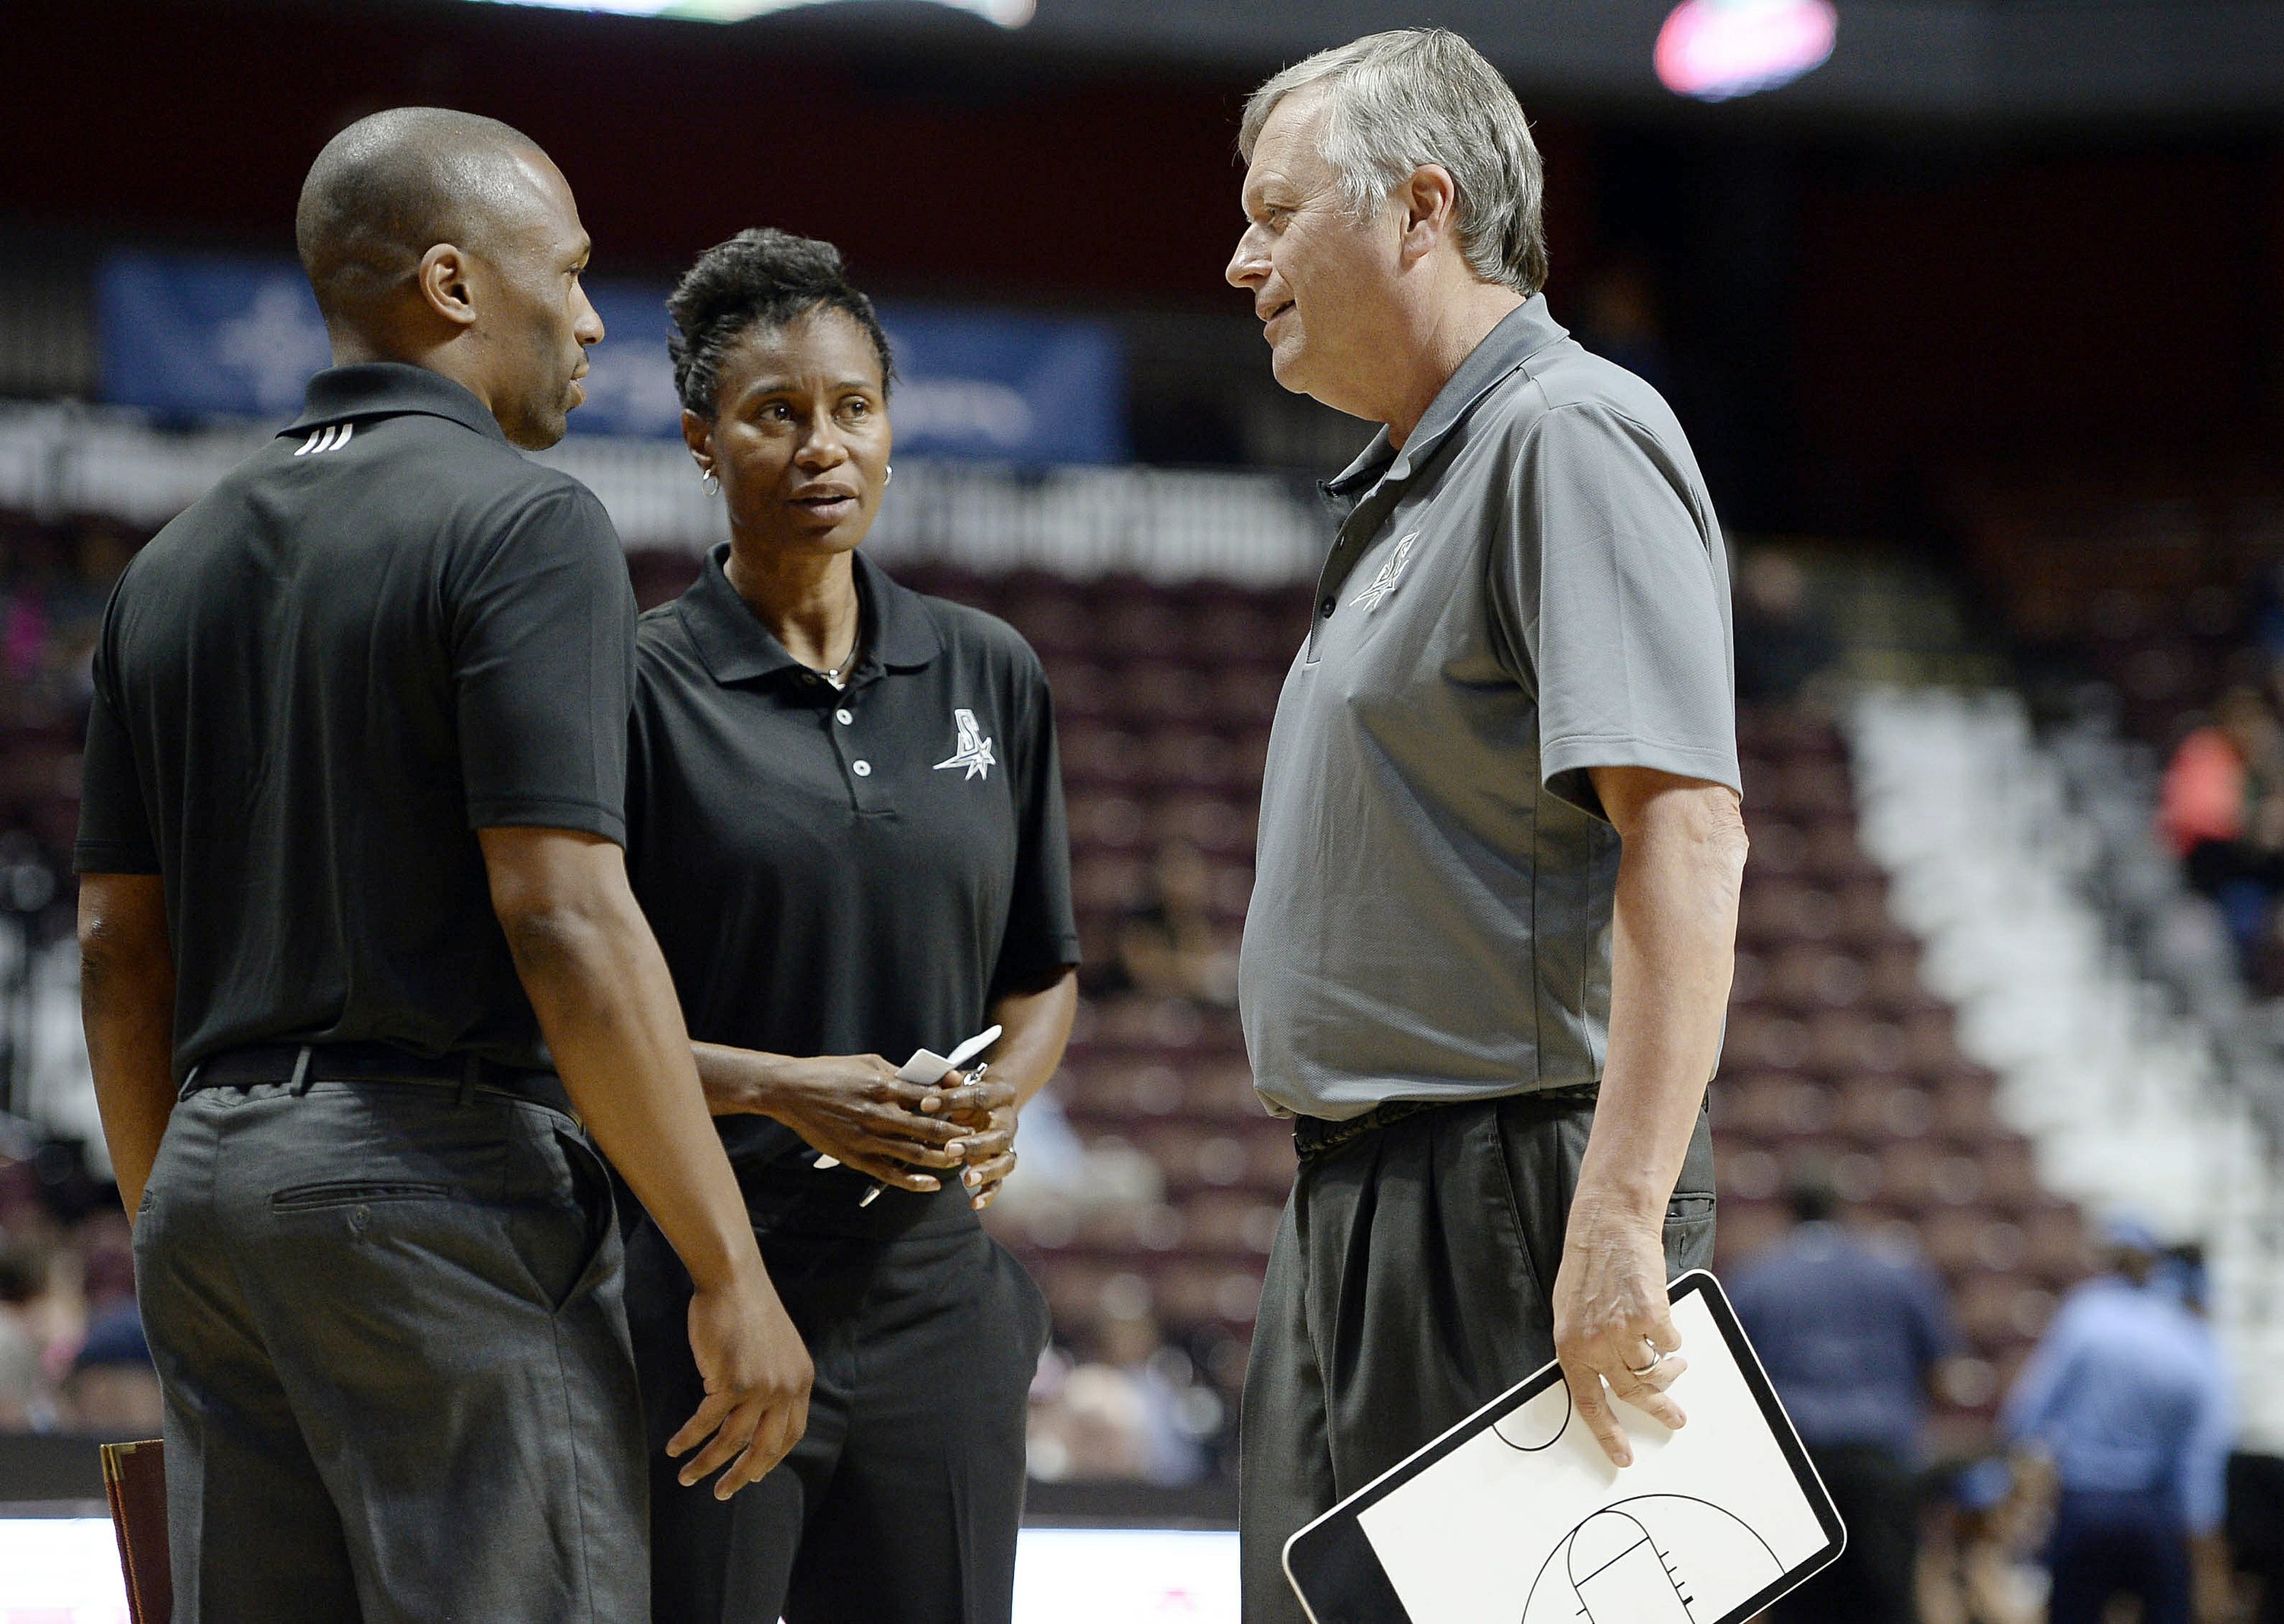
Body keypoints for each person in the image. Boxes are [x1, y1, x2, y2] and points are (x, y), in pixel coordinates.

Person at [72, 109, 809, 1622]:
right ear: (457, 286)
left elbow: (112, 953)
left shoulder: (172, 563)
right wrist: (728, 1268)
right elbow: (561, 916)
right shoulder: (527, 522)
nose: (598, 319)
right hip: (432, 1184)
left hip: (208, 1183)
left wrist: (179, 1231)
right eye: (577, 271)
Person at [1223, 28, 1745, 1621]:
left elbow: (1691, 834)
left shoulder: (1564, 433)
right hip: (1366, 1200)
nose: (1240, 259)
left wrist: (1617, 1219)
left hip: (1510, 1198)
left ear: (1419, 209)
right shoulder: (1419, 474)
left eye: (1273, 211)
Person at [620, 227, 1080, 1624]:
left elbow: (1042, 967)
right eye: (776, 413)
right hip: (713, 1277)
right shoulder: (637, 686)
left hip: (938, 1291)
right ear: (703, 439)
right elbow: (566, 1022)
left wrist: (1001, 1096)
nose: (822, 444)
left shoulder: (987, 668)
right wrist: (785, 1088)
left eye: (853, 408)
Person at [1727, 1172, 1963, 1624]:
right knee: (1889, 1602)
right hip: (1881, 1461)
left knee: (1805, 1609)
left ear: (1789, 1208)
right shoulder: (1896, 1271)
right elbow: (1942, 1369)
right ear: (1839, 1206)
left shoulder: (1758, 1278)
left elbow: (1735, 1382)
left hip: (1799, 1468)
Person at [2002, 1216, 2235, 1624]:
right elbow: (2201, 1464)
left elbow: (2028, 1413)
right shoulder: (2194, 1341)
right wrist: (2207, 1558)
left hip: (2084, 1508)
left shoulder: (2087, 1314)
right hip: (2155, 1518)